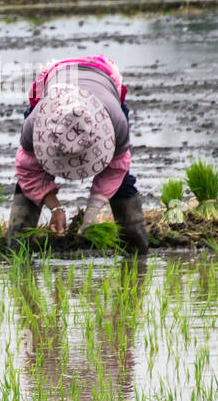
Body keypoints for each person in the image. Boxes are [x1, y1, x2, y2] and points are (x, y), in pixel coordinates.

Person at [8, 55, 148, 253]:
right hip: (56, 83)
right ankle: (17, 244)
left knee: (121, 179)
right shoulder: (36, 122)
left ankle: (136, 246)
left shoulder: (116, 122)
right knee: (32, 171)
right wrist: (55, 207)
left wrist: (91, 213)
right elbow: (28, 170)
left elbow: (115, 169)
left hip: (103, 80)